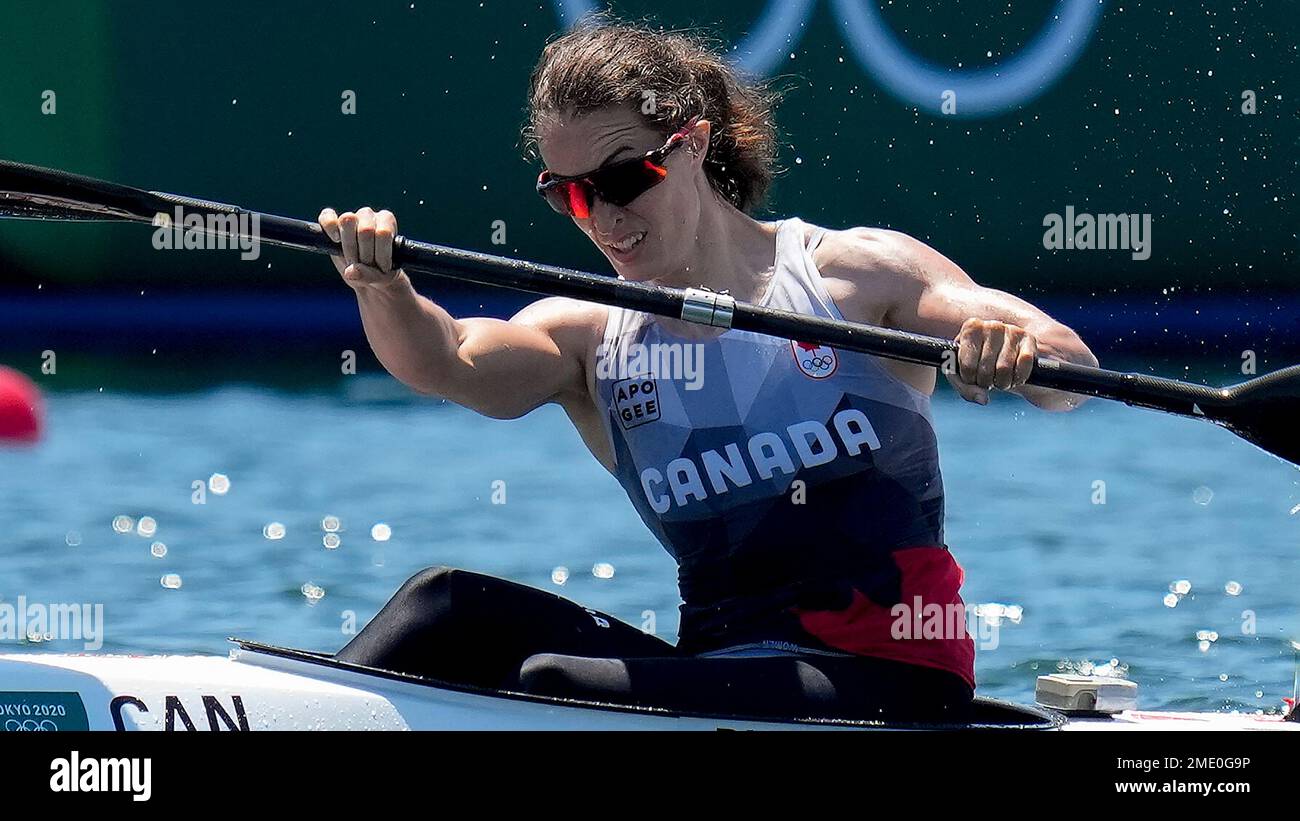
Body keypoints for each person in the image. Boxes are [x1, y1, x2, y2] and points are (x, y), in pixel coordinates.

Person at [322, 19, 1097, 721]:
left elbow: (1067, 368)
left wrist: (1013, 350)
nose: (607, 217)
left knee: (555, 681)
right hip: (722, 675)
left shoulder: (852, 279)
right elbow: (447, 357)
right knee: (444, 607)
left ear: (692, 144)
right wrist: (381, 286)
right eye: (573, 197)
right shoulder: (590, 339)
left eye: (623, 179)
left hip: (896, 682)